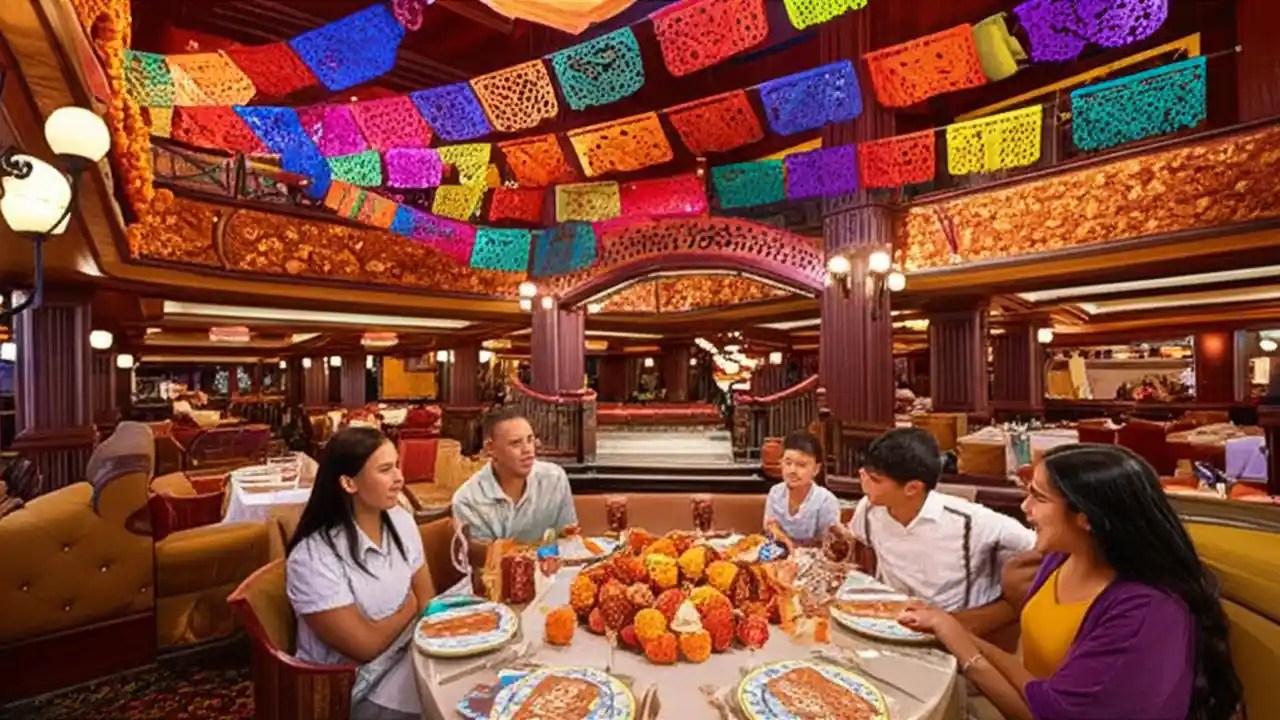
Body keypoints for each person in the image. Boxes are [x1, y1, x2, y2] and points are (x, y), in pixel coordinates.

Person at [899, 443, 1241, 720]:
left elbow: (1047, 712)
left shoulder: (1145, 610)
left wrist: (960, 641)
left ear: (1087, 518)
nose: (1025, 506)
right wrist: (950, 629)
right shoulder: (1061, 557)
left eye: (1039, 497)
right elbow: (1036, 684)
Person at [285, 427, 429, 720]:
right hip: (353, 688)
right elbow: (366, 646)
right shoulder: (313, 556)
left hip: (409, 658)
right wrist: (409, 608)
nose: (399, 478)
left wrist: (416, 609)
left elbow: (427, 601)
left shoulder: (401, 521)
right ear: (349, 482)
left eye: (397, 465)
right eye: (385, 470)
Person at [842, 428, 1037, 637]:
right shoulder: (869, 509)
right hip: (892, 625)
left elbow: (1040, 550)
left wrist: (1003, 610)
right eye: (863, 473)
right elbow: (859, 546)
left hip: (955, 633)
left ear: (912, 488)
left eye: (875, 479)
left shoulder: (971, 522)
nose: (862, 480)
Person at [451, 406, 578, 576]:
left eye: (530, 440)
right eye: (516, 443)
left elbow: (568, 540)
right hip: (497, 583)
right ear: (490, 448)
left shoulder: (554, 479)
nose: (528, 450)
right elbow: (486, 564)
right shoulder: (468, 500)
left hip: (553, 577)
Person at [762, 429, 840, 544]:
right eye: (788, 463)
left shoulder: (826, 501)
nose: (792, 470)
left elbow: (829, 544)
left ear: (816, 469)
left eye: (801, 465)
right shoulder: (775, 493)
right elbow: (769, 530)